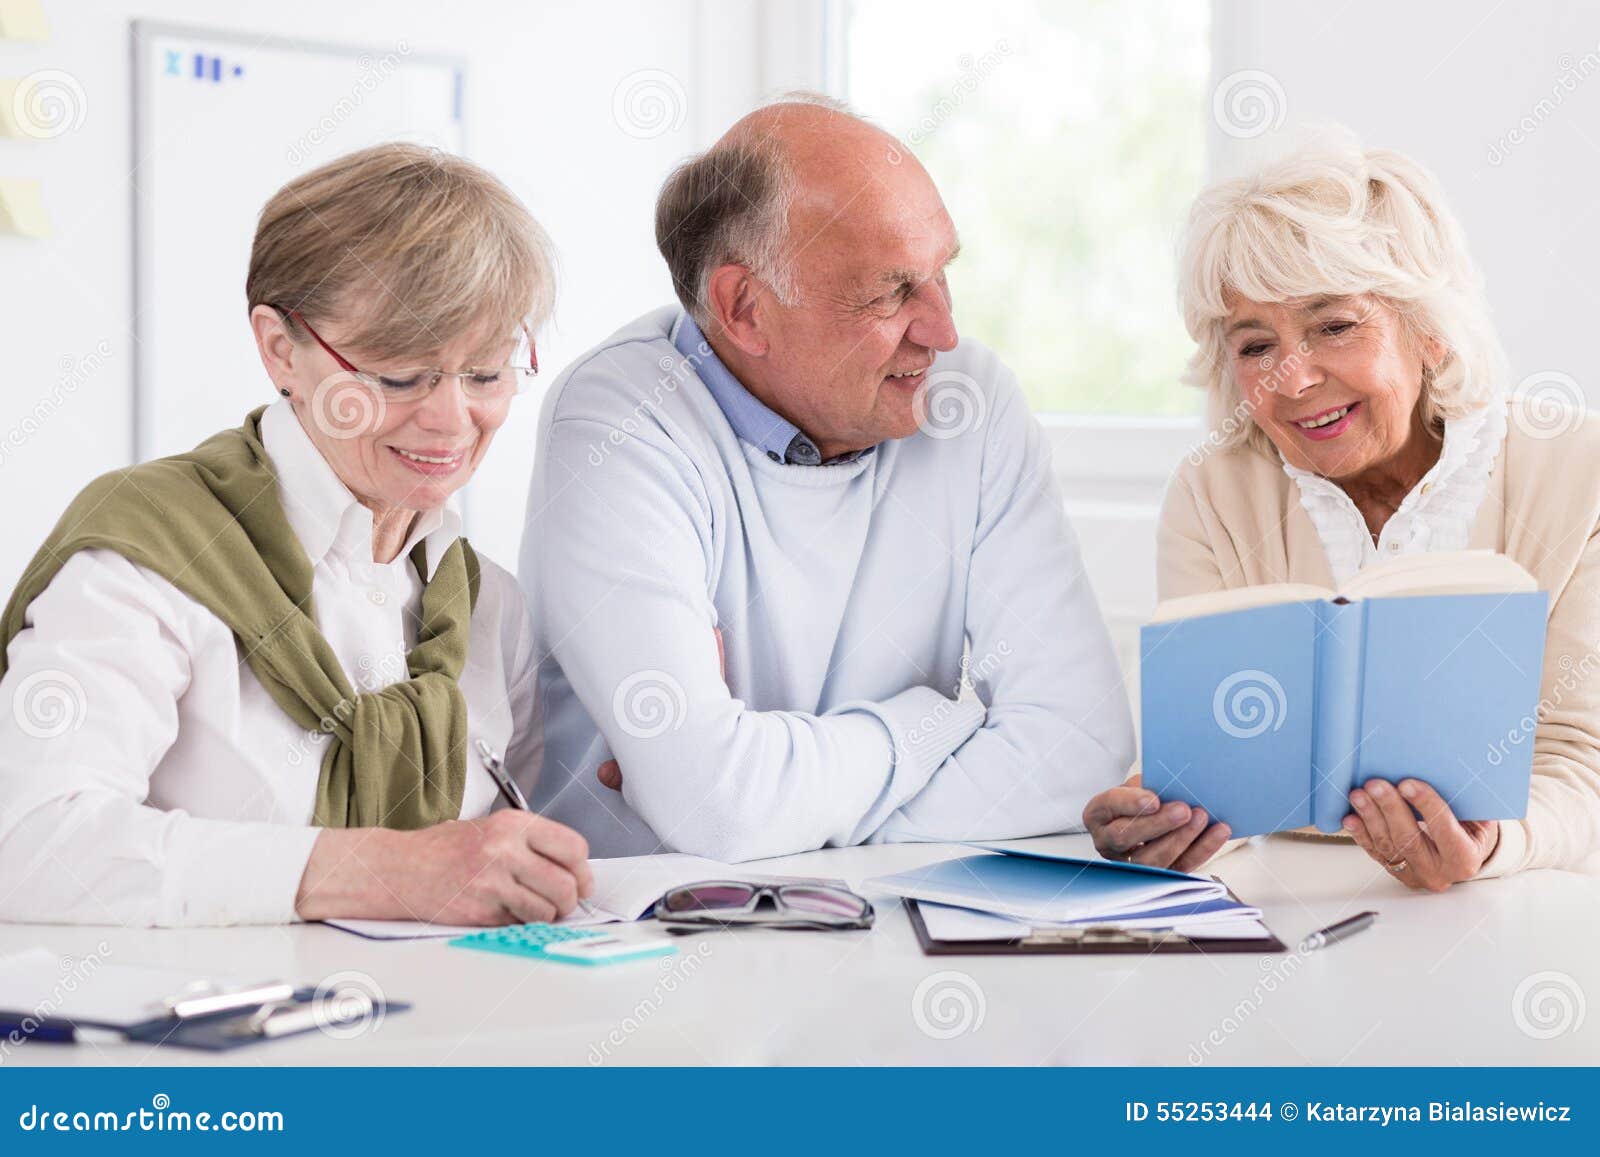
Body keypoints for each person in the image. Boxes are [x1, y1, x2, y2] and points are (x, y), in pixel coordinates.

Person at [521, 95, 1135, 862]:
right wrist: (939, 719)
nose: (942, 331)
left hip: (885, 926)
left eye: (943, 273)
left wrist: (773, 805)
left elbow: (1080, 747)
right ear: (743, 308)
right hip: (647, 938)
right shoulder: (620, 417)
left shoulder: (964, 400)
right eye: (889, 292)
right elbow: (720, 810)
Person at [0, 143, 592, 926]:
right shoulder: (149, 556)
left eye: (486, 373)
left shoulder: (487, 606)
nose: (452, 419)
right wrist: (382, 871)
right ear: (282, 348)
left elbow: (509, 852)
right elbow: (31, 845)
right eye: (399, 375)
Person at [1084, 135, 1600, 890]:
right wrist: (1162, 817)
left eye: (1333, 326)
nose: (1292, 379)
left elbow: (1581, 761)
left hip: (1517, 909)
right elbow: (1212, 760)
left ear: (1428, 328)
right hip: (1288, 908)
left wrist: (1490, 843)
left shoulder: (1577, 470)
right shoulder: (1211, 494)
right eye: (1256, 345)